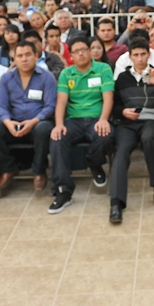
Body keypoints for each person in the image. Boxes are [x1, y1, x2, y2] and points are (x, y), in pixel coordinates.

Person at [48, 36, 114, 214]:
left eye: (84, 49)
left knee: (105, 135)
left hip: (96, 118)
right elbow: (61, 101)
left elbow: (108, 97)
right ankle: (63, 191)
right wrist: (59, 124)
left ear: (90, 51)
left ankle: (95, 164)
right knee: (57, 139)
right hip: (74, 120)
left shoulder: (103, 68)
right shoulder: (66, 73)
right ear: (71, 55)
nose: (81, 54)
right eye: (76, 51)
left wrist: (103, 119)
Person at [109, 39, 154, 222]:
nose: (140, 58)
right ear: (130, 57)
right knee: (121, 151)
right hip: (127, 123)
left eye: (143, 54)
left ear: (149, 54)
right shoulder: (122, 78)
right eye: (135, 55)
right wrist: (122, 111)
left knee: (149, 140)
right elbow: (115, 105)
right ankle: (116, 203)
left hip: (151, 120)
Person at [0, 42, 58, 196]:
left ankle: (39, 171)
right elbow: (0, 105)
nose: (24, 59)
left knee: (44, 129)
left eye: (28, 55)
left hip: (37, 123)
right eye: (20, 56)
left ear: (36, 56)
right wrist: (8, 122)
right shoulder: (6, 78)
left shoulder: (47, 77)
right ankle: (8, 168)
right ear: (14, 59)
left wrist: (33, 122)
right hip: (13, 124)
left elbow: (50, 106)